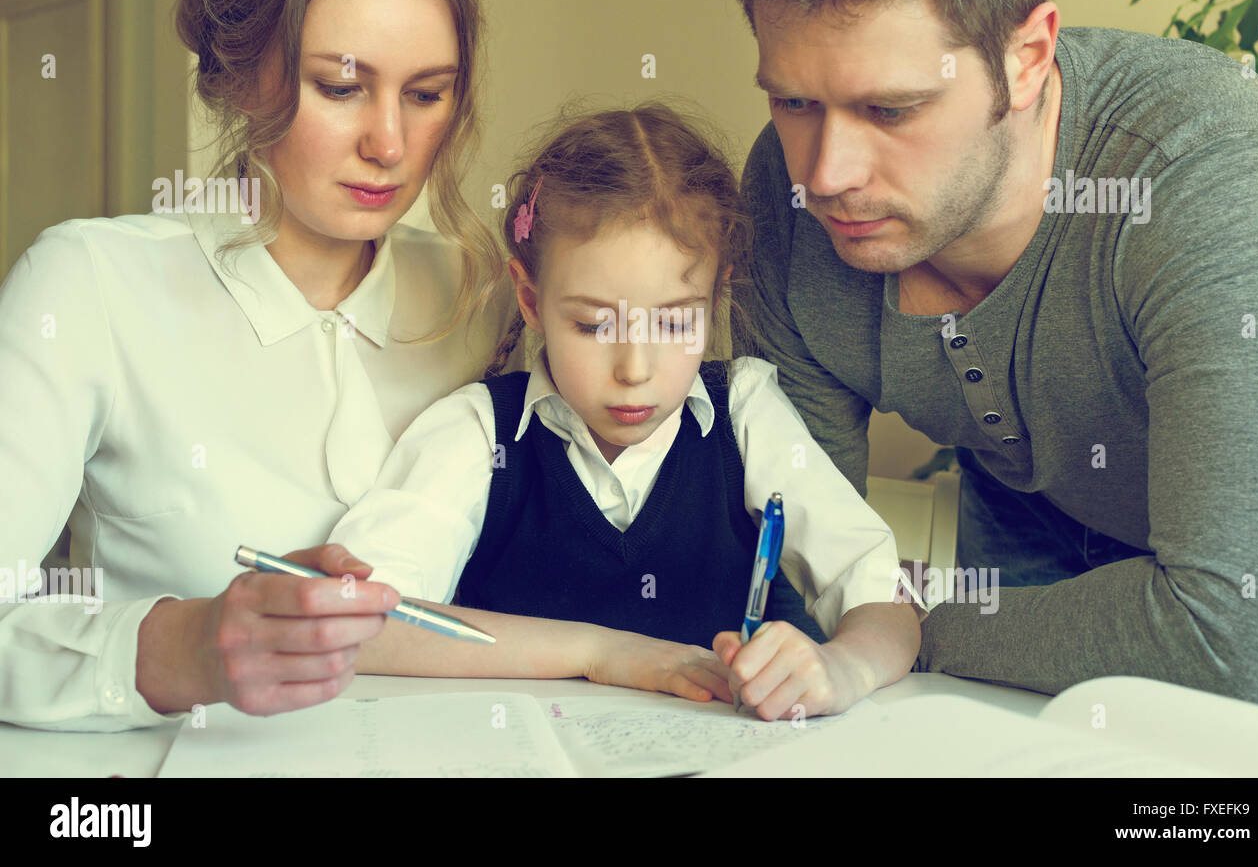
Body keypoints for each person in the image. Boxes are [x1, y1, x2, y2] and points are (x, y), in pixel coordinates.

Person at [729, 0, 1258, 708]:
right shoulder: (785, 204)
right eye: (793, 101)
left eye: (891, 108)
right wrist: (848, 642)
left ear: (1027, 59)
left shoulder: (1206, 175)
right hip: (1024, 548)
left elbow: (1242, 637)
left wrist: (907, 629)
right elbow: (795, 592)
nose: (826, 175)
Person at [0, 0, 516, 730]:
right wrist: (189, 646)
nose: (389, 143)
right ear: (244, 78)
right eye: (340, 87)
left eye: (426, 94)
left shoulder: (484, 300)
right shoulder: (86, 284)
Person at [332, 103, 921, 720]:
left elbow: (884, 603)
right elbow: (357, 622)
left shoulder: (746, 414)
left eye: (673, 320)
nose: (634, 369)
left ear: (717, 294)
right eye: (592, 324)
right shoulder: (479, 434)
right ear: (530, 300)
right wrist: (599, 652)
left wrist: (842, 666)